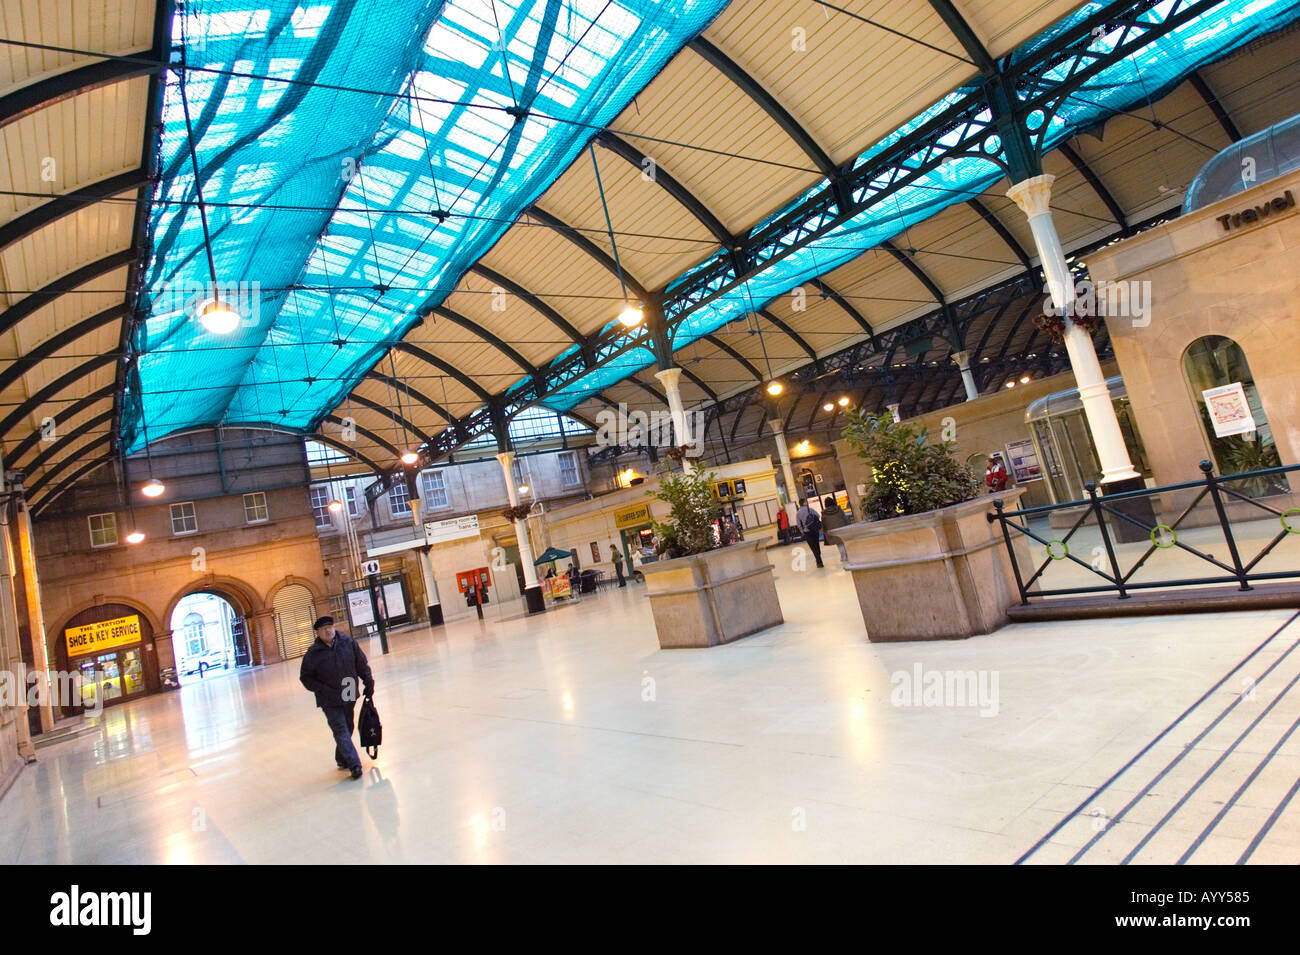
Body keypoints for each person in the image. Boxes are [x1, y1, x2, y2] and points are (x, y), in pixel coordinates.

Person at [298, 616, 374, 779]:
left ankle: (342, 757)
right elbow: (305, 677)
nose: (328, 630)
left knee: (348, 726)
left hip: (348, 690)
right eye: (323, 629)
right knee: (340, 729)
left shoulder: (348, 643)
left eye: (330, 627)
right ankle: (355, 764)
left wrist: (368, 681)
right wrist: (321, 689)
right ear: (317, 633)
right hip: (329, 698)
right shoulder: (313, 653)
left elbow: (361, 663)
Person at [795, 498, 824, 568]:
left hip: (807, 532)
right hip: (814, 530)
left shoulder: (798, 513)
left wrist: (803, 531)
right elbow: (818, 515)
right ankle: (819, 560)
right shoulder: (810, 509)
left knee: (813, 547)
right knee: (817, 545)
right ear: (804, 503)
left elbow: (799, 524)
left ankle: (819, 561)